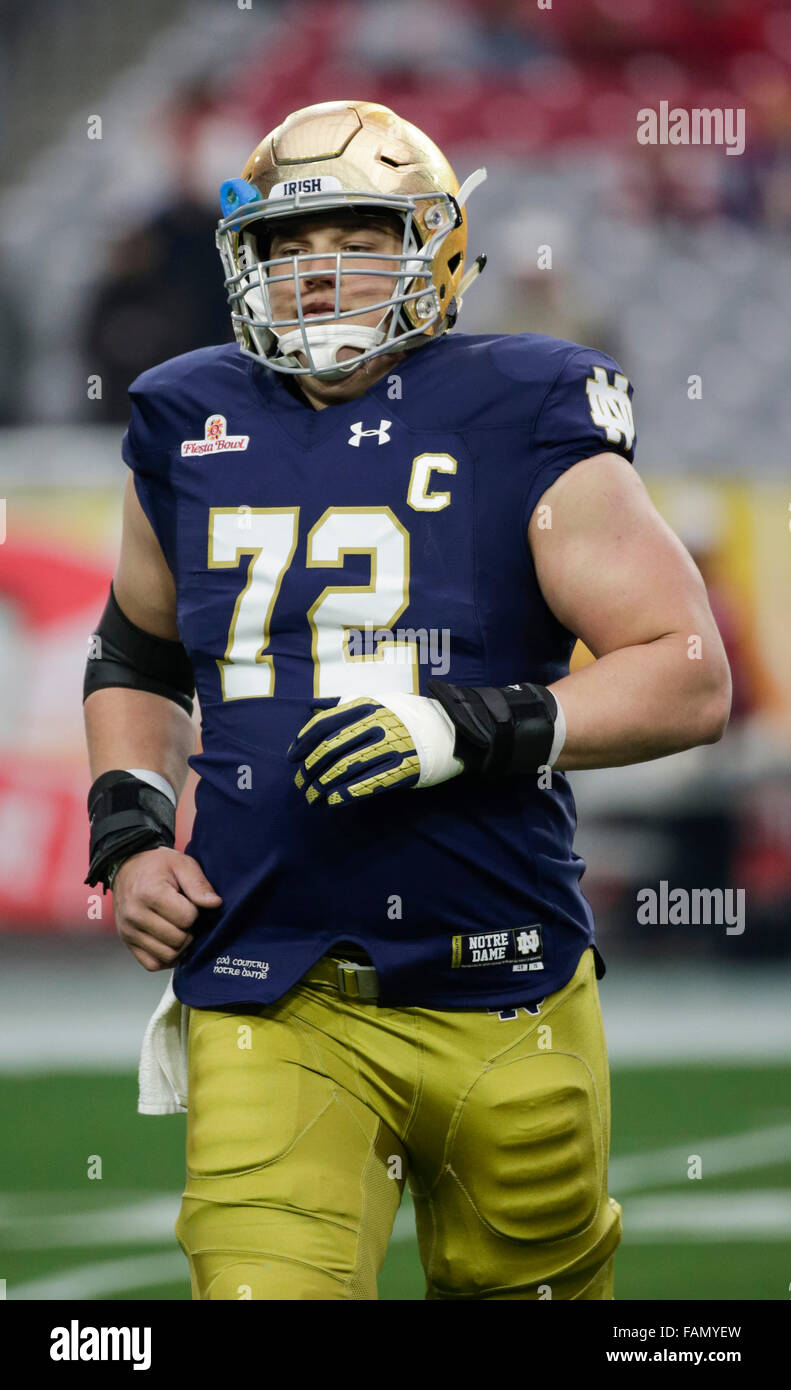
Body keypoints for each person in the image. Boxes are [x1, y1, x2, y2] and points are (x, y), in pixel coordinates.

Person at [82, 100, 731, 1301]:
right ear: (246, 260)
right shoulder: (186, 414)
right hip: (268, 979)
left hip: (501, 976)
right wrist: (126, 831)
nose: (314, 268)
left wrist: (463, 726)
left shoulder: (524, 404)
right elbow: (136, 654)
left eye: (354, 233)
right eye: (285, 241)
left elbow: (684, 673)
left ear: (431, 248)